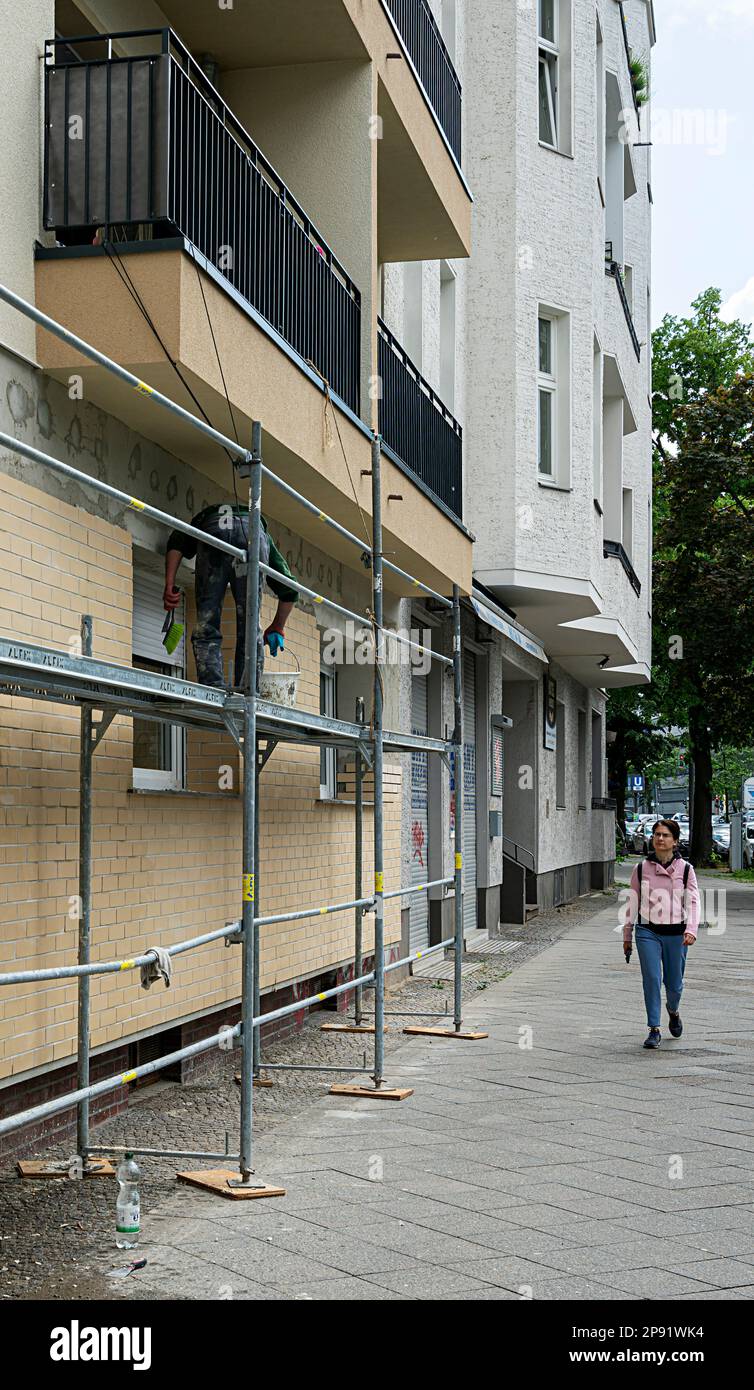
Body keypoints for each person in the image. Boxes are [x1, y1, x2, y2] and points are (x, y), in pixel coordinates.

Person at [163, 502, 298, 689]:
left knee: (207, 622)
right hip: (252, 533)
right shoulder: (262, 531)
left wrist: (169, 584)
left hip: (212, 528)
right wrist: (277, 626)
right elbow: (290, 588)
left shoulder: (202, 518)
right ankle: (248, 691)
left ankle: (212, 686)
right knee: (250, 628)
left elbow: (177, 540)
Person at [622, 819, 700, 1049]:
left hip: (677, 934)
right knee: (652, 979)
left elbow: (693, 902)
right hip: (648, 931)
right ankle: (654, 1028)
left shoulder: (686, 870)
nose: (660, 838)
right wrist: (627, 936)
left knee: (674, 984)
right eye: (656, 834)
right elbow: (632, 903)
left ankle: (673, 1011)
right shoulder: (641, 868)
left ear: (675, 841)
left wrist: (691, 930)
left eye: (665, 835)